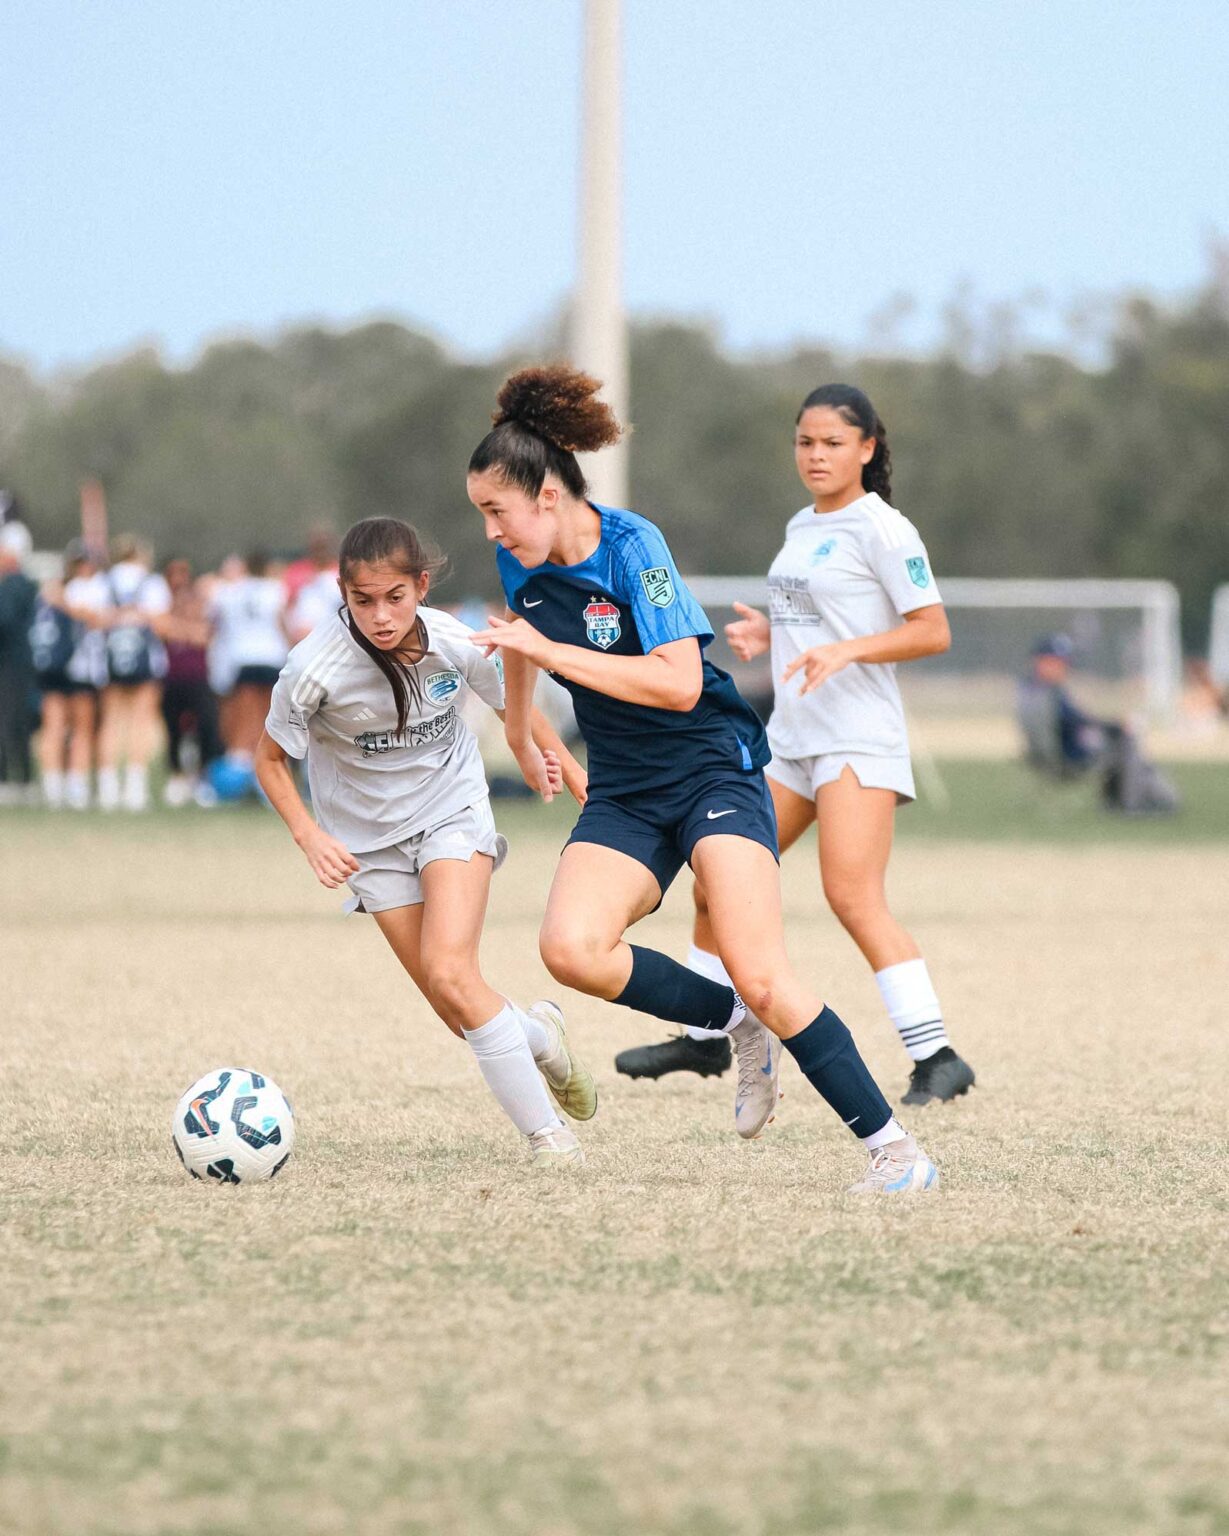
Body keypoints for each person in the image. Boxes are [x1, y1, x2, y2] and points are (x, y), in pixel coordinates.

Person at [467, 365, 939, 1194]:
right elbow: (522, 636)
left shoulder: (633, 546)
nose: (490, 533)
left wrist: (548, 656)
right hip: (623, 788)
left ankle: (897, 1153)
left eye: (495, 512)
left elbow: (678, 681)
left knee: (763, 967)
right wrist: (520, 724)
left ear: (546, 496)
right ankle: (733, 1023)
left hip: (712, 768)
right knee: (570, 950)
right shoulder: (521, 560)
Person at [615, 384, 977, 1107]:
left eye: (832, 443)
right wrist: (769, 636)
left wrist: (847, 651)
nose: (815, 455)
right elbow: (818, 620)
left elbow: (930, 629)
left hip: (855, 741)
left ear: (867, 448)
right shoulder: (801, 523)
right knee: (716, 879)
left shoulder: (884, 528)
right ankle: (707, 1039)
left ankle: (936, 1055)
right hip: (791, 740)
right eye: (804, 442)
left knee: (849, 894)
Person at [254, 516, 595, 1167]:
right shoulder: (312, 668)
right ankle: (540, 1036)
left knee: (450, 971)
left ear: (421, 586)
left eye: (395, 598)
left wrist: (572, 771)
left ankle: (550, 1140)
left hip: (450, 811)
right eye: (363, 601)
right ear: (342, 592)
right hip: (368, 846)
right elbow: (268, 758)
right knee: (455, 1008)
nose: (380, 616)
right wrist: (308, 835)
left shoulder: (454, 641)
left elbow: (512, 709)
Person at [1017, 634, 1179, 814]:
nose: (1064, 667)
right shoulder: (1045, 695)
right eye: (1058, 662)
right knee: (1126, 742)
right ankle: (1132, 803)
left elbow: (1077, 722)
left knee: (1118, 741)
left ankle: (1116, 800)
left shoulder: (1032, 690)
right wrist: (1116, 726)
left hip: (1057, 755)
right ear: (1041, 662)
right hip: (1067, 759)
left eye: (1065, 662)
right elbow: (1078, 722)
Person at [31, 542, 109, 809]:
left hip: (79, 667)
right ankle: (56, 786)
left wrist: (62, 601)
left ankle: (74, 785)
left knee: (79, 729)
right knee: (59, 727)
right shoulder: (76, 589)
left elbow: (94, 618)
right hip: (68, 666)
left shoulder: (62, 591)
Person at [97, 535, 172, 812]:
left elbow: (95, 620)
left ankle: (107, 788)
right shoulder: (151, 582)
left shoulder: (104, 581)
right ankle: (134, 788)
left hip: (111, 659)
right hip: (145, 660)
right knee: (141, 721)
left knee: (111, 720)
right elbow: (162, 625)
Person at [160, 557, 223, 806]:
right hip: (171, 678)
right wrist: (185, 629)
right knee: (173, 729)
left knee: (206, 726)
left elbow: (204, 636)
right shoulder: (162, 601)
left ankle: (203, 778)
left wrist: (178, 628)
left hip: (198, 677)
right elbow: (161, 627)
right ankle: (177, 777)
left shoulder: (201, 601)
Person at [0, 521, 39, 804]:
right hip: (12, 663)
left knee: (11, 721)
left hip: (11, 663)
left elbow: (5, 619)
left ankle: (16, 779)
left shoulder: (16, 584)